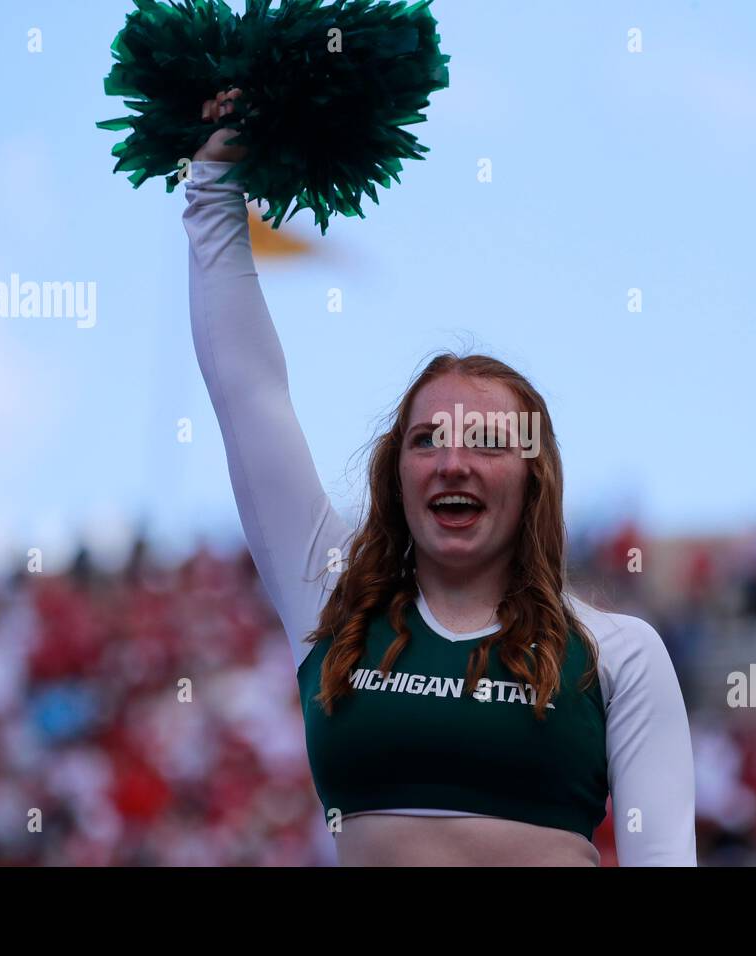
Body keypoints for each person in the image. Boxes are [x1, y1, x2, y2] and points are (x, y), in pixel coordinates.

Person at [182, 90, 696, 865]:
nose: (453, 461)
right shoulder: (329, 595)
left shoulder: (619, 654)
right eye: (427, 440)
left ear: (533, 481)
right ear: (397, 475)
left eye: (485, 442)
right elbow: (247, 394)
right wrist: (214, 187)